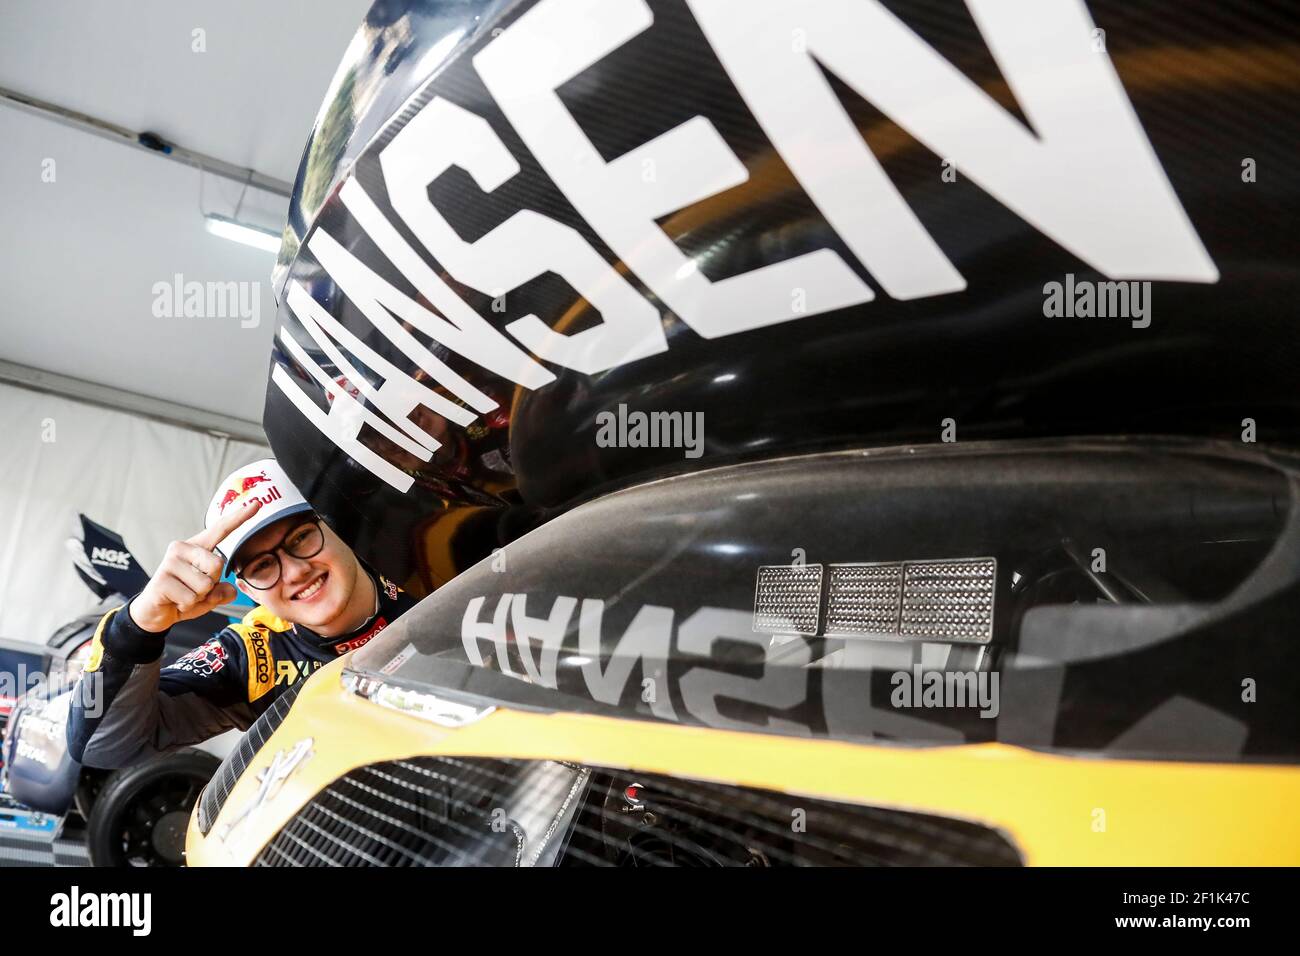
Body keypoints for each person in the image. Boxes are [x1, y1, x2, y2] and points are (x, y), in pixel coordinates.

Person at [67, 459, 416, 768]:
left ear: (338, 527)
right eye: (262, 566)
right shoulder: (252, 655)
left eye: (300, 538)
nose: (294, 572)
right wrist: (135, 629)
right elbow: (100, 746)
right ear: (248, 590)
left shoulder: (424, 572)